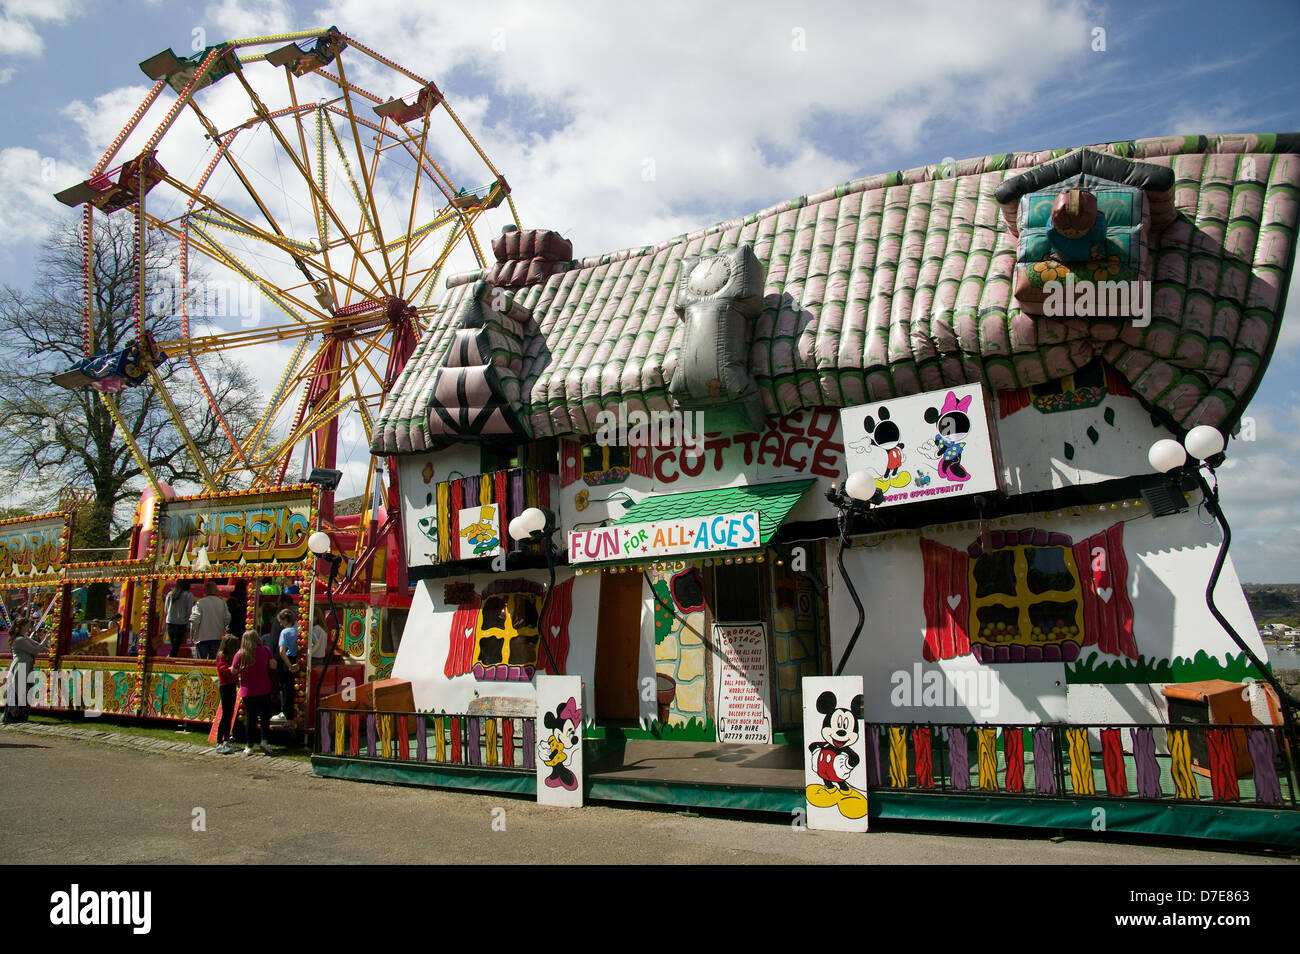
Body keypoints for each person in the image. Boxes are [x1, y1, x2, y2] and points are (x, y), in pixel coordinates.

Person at [231, 629, 276, 756]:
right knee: (265, 717)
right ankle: (264, 740)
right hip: (264, 688)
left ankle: (249, 745)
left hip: (248, 691)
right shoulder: (266, 650)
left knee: (251, 718)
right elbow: (273, 665)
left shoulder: (240, 654)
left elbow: (234, 671)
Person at [3, 620, 49, 724]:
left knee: (25, 691)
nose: (30, 627)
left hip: (26, 666)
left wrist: (47, 648)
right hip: (20, 667)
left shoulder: (24, 638)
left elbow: (37, 645)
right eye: (28, 625)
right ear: (23, 626)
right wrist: (46, 640)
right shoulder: (19, 640)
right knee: (19, 691)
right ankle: (13, 716)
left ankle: (21, 716)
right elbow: (35, 650)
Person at [213, 634, 241, 754]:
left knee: (230, 713)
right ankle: (220, 741)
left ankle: (226, 739)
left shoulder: (230, 656)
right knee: (226, 713)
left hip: (231, 685)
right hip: (225, 686)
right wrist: (233, 669)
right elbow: (223, 671)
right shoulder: (222, 656)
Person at [189, 580, 230, 660]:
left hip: (202, 638)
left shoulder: (200, 603)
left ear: (205, 591)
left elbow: (195, 619)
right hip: (217, 637)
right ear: (216, 591)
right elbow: (227, 619)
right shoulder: (222, 603)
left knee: (201, 664)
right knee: (213, 664)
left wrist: (192, 633)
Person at [274, 607, 300, 721]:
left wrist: (289, 665)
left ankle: (285, 712)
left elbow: (281, 651)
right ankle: (293, 713)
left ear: (286, 620)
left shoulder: (285, 632)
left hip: (288, 660)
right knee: (293, 689)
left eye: (281, 621)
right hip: (297, 659)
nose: (280, 624)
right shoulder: (299, 628)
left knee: (285, 688)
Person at [163, 580, 194, 657]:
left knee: (173, 644)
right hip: (182, 623)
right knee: (176, 644)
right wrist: (189, 625)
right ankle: (170, 658)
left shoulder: (170, 594)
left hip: (170, 621)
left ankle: (170, 658)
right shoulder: (188, 595)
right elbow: (189, 610)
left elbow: (166, 609)